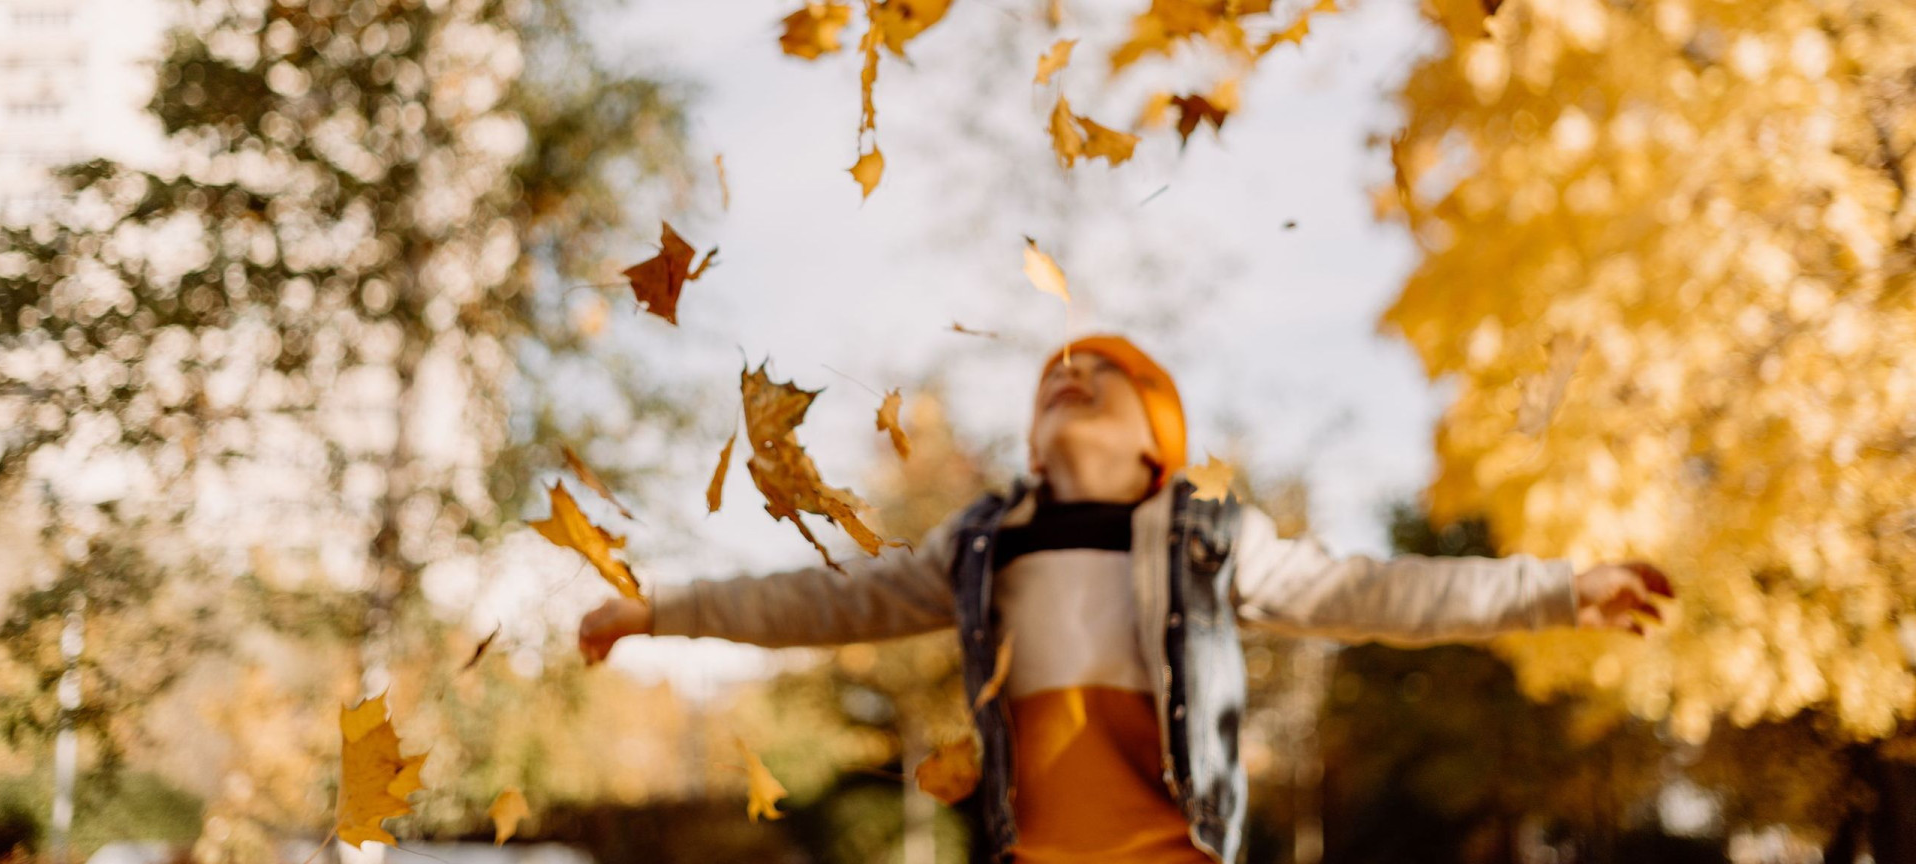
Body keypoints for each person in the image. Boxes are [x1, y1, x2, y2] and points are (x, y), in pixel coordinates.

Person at [577, 334, 1674, 864]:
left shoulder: (1206, 542)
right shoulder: (981, 545)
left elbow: (1374, 590)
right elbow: (823, 603)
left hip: (1172, 851)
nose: (1069, 372)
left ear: (1160, 438)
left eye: (1102, 373)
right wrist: (661, 606)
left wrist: (1557, 589)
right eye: (1054, 373)